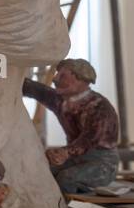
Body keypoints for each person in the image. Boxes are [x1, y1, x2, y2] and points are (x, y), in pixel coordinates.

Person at [23, 58, 119, 195]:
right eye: (57, 74)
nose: (55, 79)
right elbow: (39, 91)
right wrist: (14, 81)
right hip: (75, 158)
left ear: (82, 79)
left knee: (67, 178)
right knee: (41, 172)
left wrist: (66, 152)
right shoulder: (60, 100)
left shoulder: (99, 106)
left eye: (63, 76)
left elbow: (91, 138)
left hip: (102, 163)